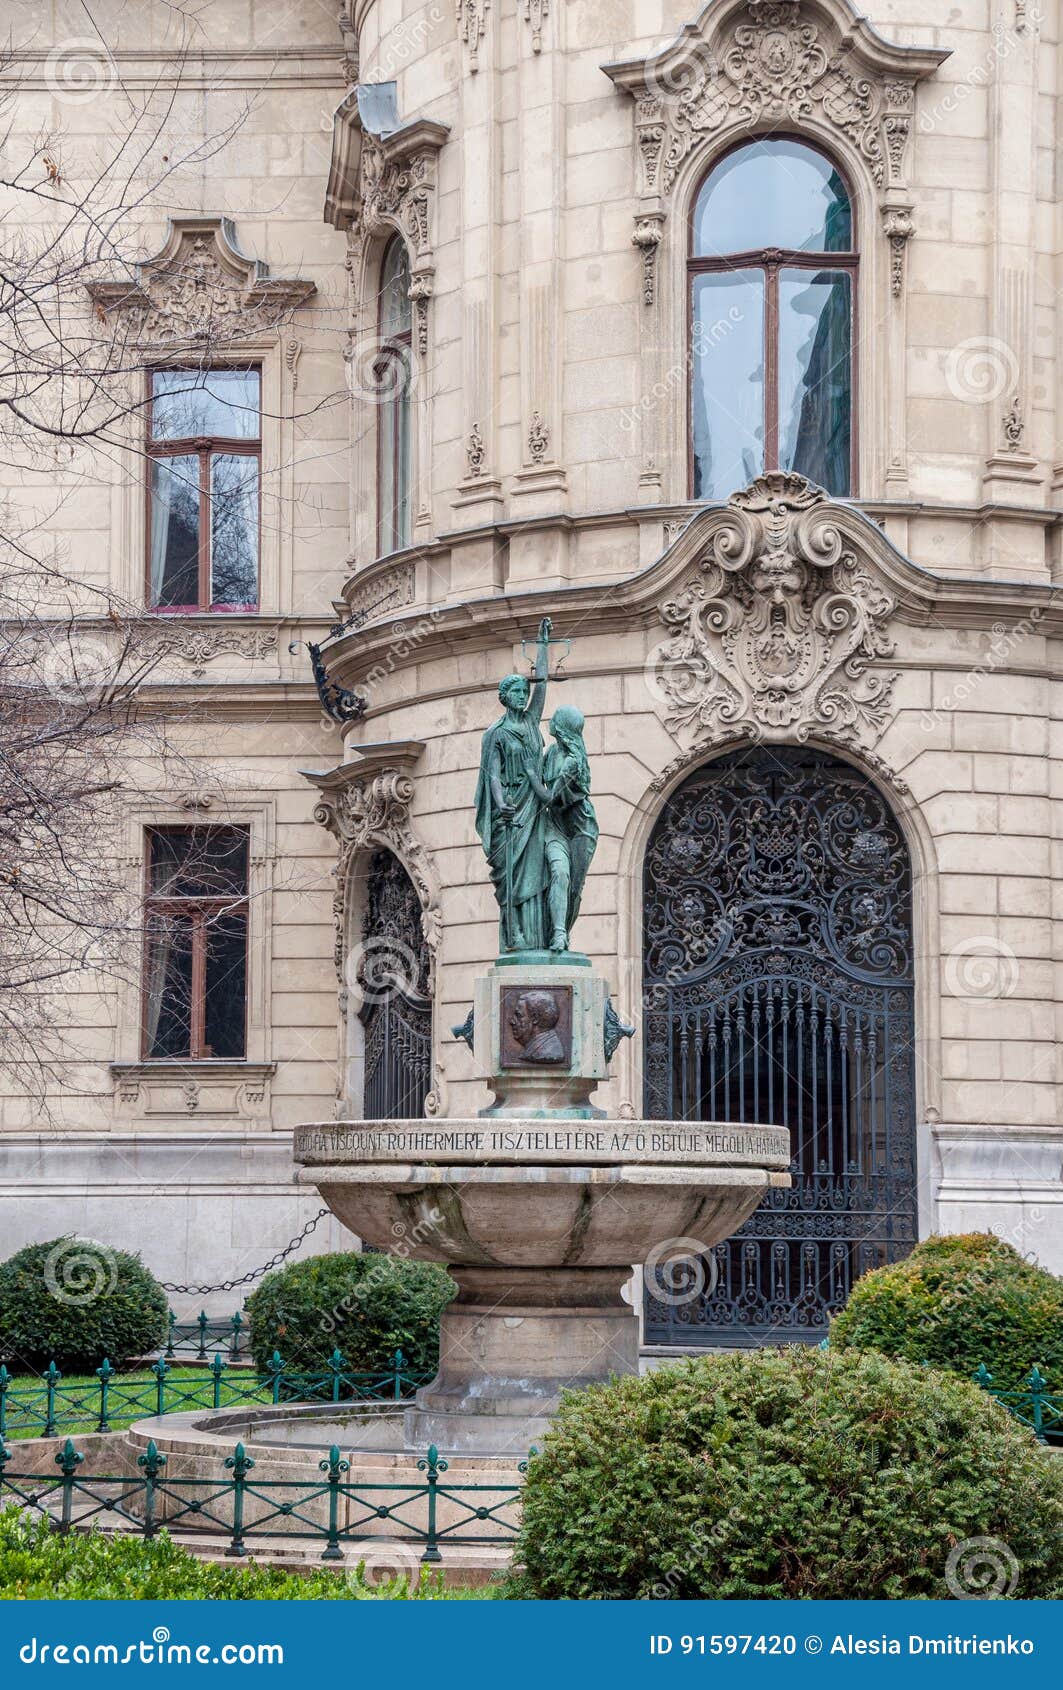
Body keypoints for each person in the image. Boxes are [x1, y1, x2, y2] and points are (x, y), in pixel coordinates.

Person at [474, 619, 552, 952]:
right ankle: (514, 934)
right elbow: (491, 773)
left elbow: (543, 685)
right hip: (510, 807)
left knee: (536, 870)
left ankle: (537, 935)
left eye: (524, 691)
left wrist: (543, 648)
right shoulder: (496, 733)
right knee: (510, 874)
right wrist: (500, 803)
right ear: (504, 697)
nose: (522, 696)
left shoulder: (533, 720)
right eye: (516, 692)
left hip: (534, 804)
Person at [538, 704, 599, 953]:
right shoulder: (550, 753)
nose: (550, 720)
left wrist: (532, 776)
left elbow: (550, 796)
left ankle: (562, 929)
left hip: (581, 828)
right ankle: (558, 934)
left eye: (555, 718)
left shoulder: (573, 762)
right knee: (560, 873)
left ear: (562, 726)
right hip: (555, 824)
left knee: (575, 887)